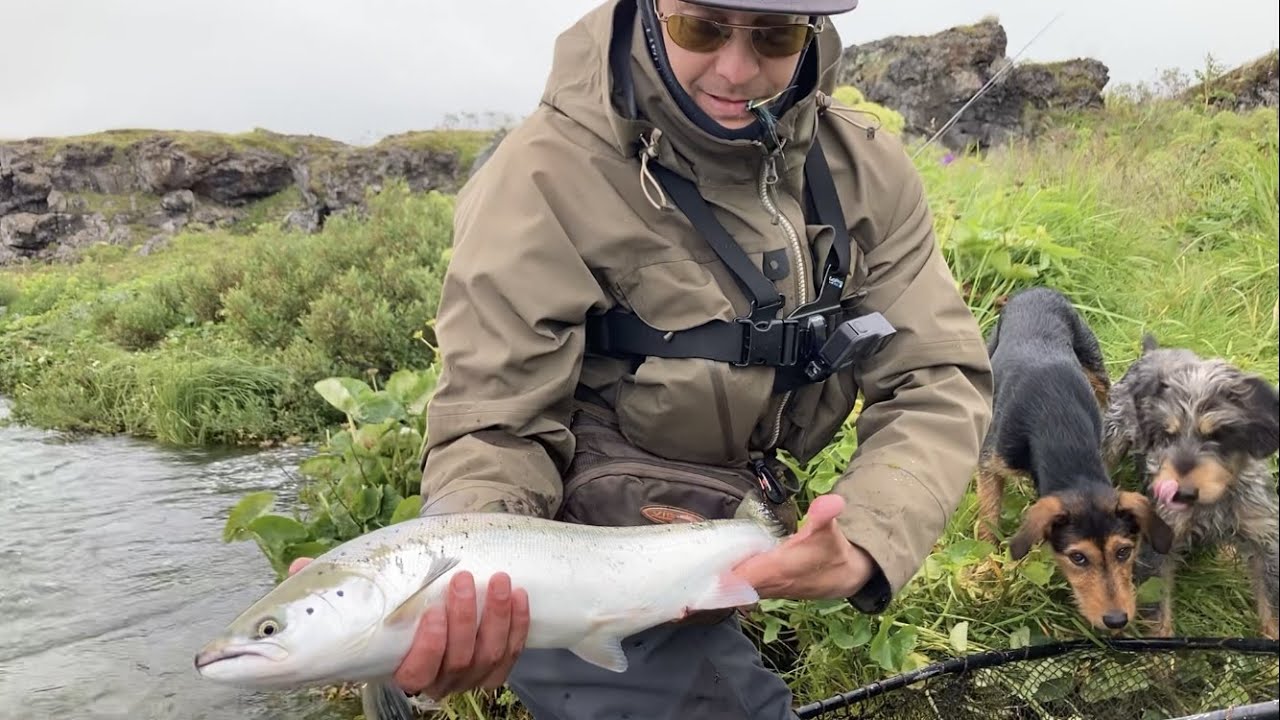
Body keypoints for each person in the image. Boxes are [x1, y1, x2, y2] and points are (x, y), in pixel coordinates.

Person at [293, 0, 993, 716]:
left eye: (776, 35)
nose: (737, 67)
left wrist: (869, 537)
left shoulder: (862, 166)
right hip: (580, 535)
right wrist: (472, 589)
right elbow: (493, 427)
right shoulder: (540, 177)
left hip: (726, 509)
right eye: (704, 27)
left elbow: (936, 376)